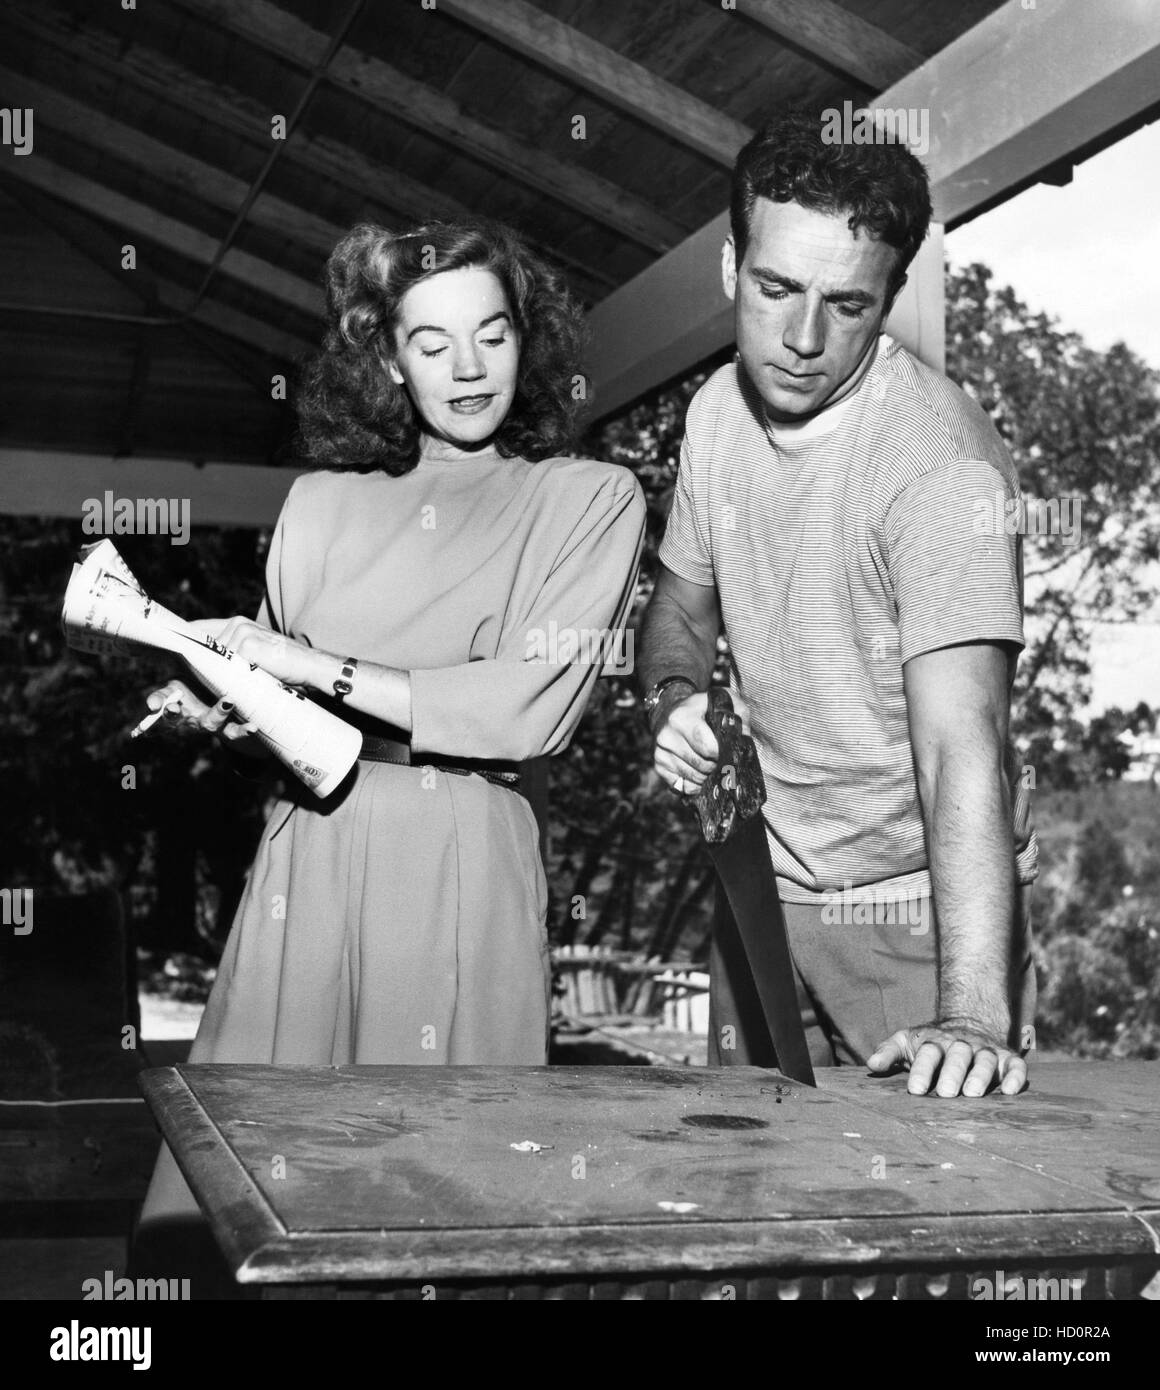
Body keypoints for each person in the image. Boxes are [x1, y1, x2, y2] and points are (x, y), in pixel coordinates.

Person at [134, 218, 645, 1285]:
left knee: (444, 1208)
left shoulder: (587, 499)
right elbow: (290, 711)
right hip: (307, 857)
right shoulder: (317, 505)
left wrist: (315, 668)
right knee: (240, 1198)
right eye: (430, 342)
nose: (467, 369)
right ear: (384, 357)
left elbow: (524, 711)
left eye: (492, 334)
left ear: (528, 340)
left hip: (464, 860)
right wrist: (226, 695)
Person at [639, 108, 1037, 1099]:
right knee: (757, 1214)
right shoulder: (711, 415)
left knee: (929, 1233)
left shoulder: (938, 470)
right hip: (761, 890)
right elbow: (678, 612)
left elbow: (963, 749)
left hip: (917, 915)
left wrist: (971, 1015)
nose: (802, 338)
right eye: (774, 288)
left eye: (846, 305)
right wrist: (672, 701)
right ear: (730, 267)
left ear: (889, 295)